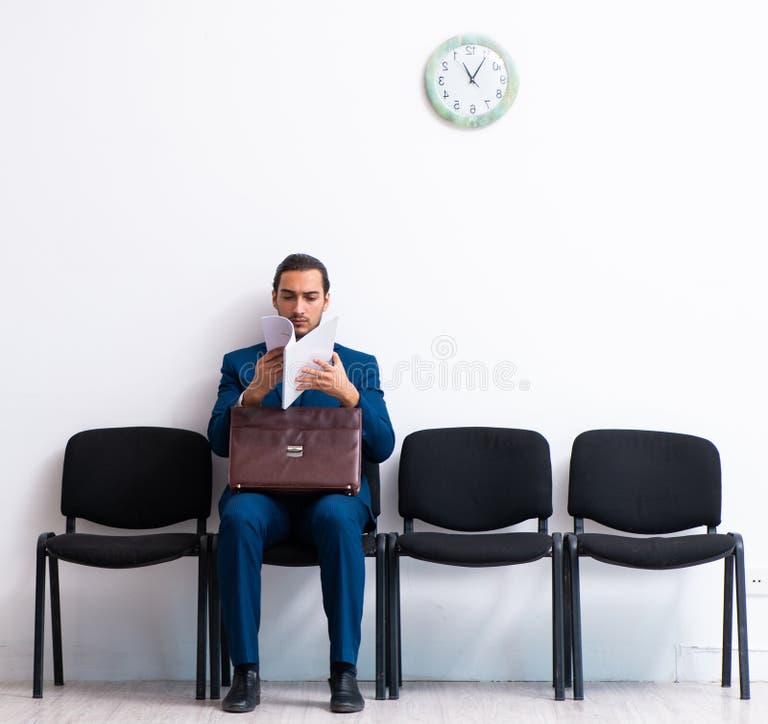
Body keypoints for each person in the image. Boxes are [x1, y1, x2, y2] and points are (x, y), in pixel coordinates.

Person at [208, 253, 395, 713]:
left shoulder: (357, 364)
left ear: (326, 301)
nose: (298, 307)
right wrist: (250, 396)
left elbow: (384, 445)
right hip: (263, 497)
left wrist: (349, 394)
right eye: (288, 296)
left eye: (310, 297)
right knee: (238, 517)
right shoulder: (240, 363)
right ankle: (245, 673)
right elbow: (217, 442)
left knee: (336, 517)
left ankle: (344, 674)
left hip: (333, 496)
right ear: (275, 299)